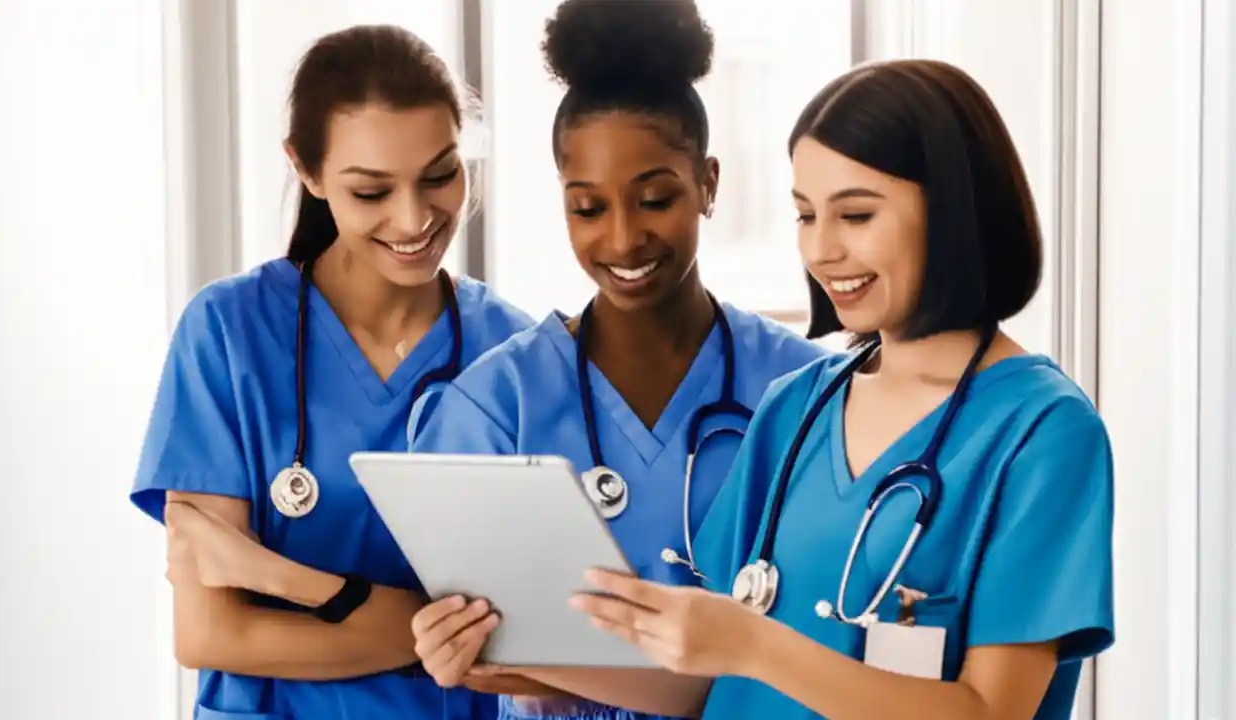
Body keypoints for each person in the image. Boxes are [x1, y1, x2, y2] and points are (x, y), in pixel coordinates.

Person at [543, 59, 1116, 719]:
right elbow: (705, 679)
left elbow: (990, 710)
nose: (820, 250)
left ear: (955, 213)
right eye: (805, 216)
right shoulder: (795, 408)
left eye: (856, 215)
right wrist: (508, 656)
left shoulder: (1040, 432)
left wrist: (755, 646)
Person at [406, 2, 827, 719]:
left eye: (655, 198)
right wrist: (452, 645)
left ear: (710, 184)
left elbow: (817, 646)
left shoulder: (802, 392)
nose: (624, 239)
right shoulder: (493, 406)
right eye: (587, 208)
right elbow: (487, 642)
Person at [130, 25, 532, 720]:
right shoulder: (228, 333)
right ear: (308, 171)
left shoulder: (517, 355)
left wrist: (273, 575)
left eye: (440, 176)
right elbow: (211, 633)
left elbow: (515, 642)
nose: (415, 218)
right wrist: (428, 631)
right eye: (371, 191)